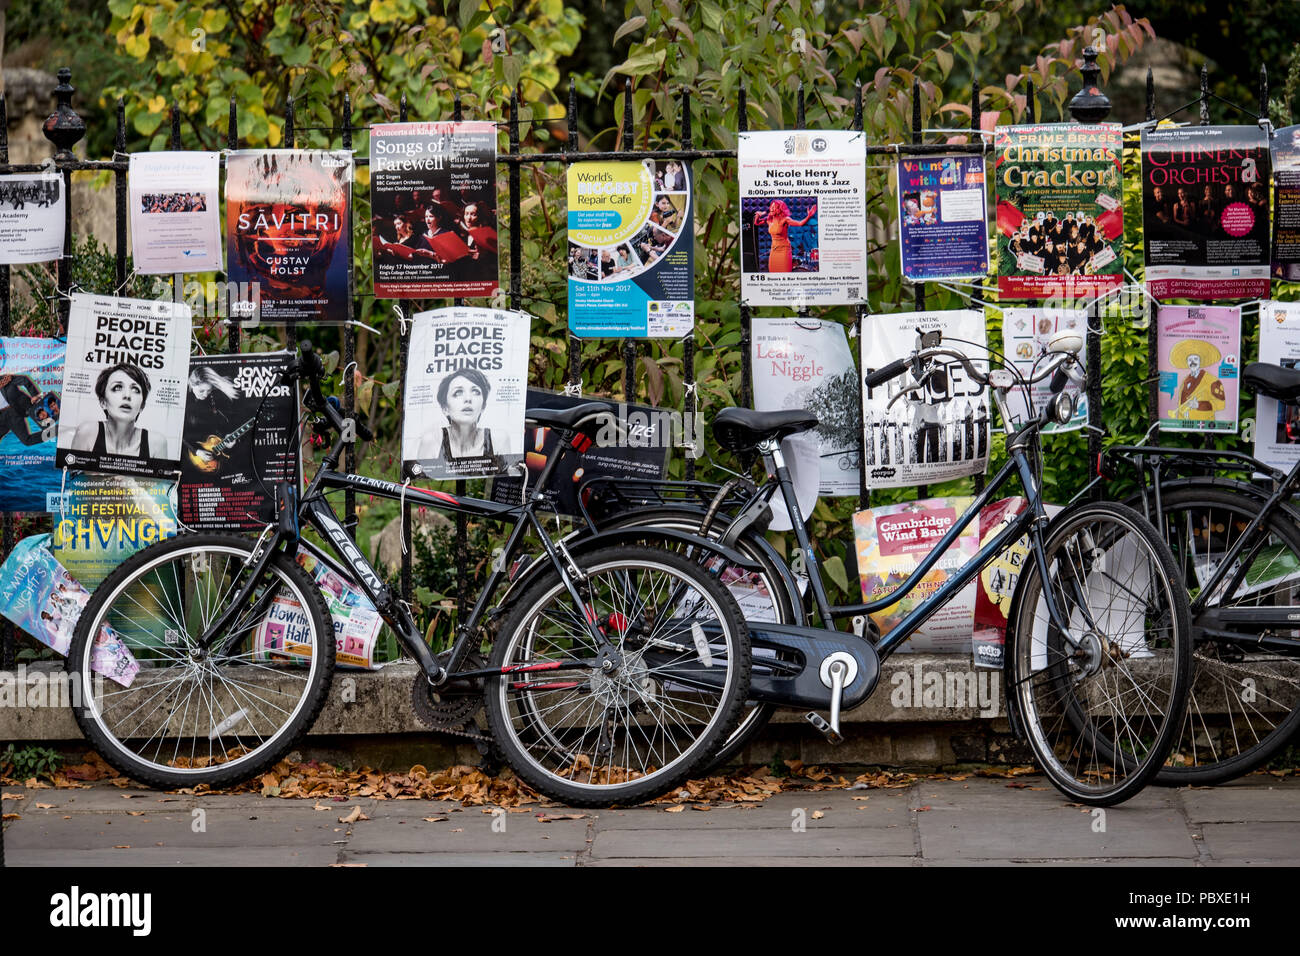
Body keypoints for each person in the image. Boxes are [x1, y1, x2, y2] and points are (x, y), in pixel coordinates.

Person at [68, 362, 168, 460]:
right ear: (103, 402)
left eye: (135, 389)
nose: (127, 395)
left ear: (142, 406)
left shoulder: (156, 443)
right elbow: (70, 474)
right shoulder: (87, 433)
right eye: (117, 387)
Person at [416, 366, 500, 467]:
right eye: (458, 393)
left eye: (475, 392)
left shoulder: (497, 440)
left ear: (483, 406)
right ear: (445, 408)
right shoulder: (432, 442)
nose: (468, 399)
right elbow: (419, 477)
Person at [1172, 339, 1226, 424]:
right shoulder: (1185, 380)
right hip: (1184, 423)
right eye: (1190, 360)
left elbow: (1220, 404)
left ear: (1201, 361)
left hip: (1204, 424)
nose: (1192, 362)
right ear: (1187, 362)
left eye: (1195, 359)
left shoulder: (1213, 380)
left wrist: (1198, 405)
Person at [754, 200, 816, 273]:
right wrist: (758, 215)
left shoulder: (785, 219)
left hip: (784, 250)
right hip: (774, 250)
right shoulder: (769, 219)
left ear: (780, 209)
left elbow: (799, 223)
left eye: (774, 207)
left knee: (784, 273)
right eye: (771, 207)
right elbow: (756, 223)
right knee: (773, 272)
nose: (772, 209)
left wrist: (808, 216)